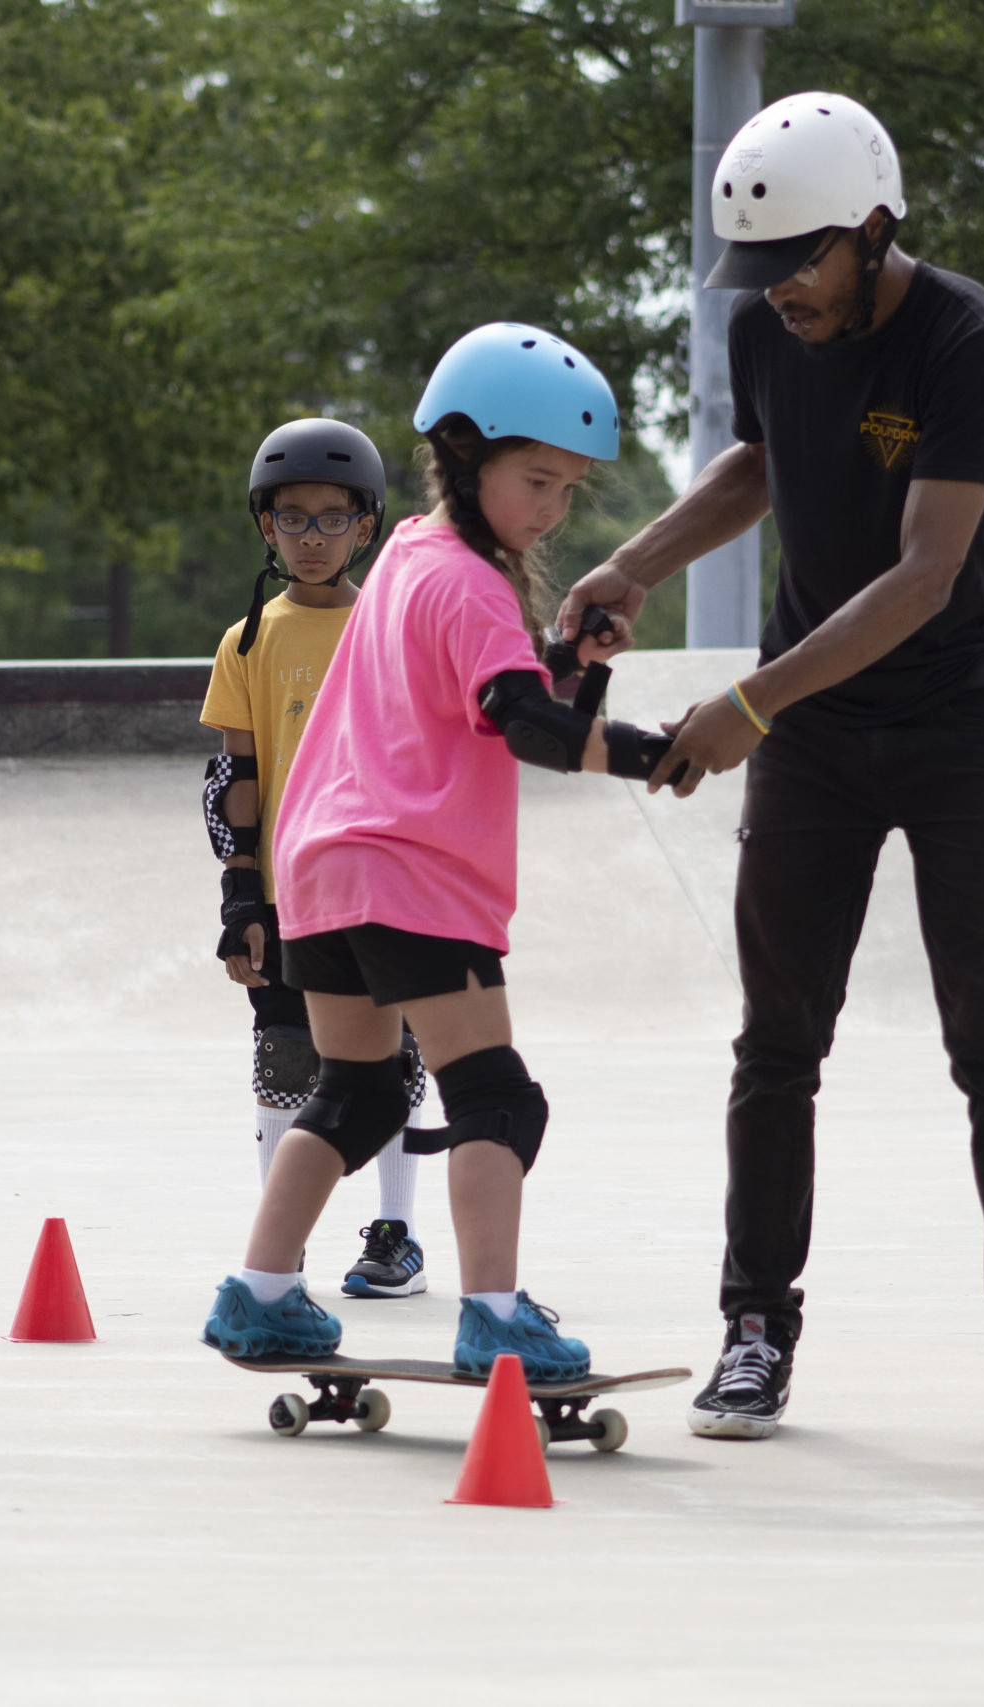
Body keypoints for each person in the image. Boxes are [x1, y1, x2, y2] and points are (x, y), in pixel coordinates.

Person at [560, 93, 984, 1453]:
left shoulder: (967, 339)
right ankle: (755, 1331)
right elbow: (762, 461)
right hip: (814, 738)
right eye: (757, 272)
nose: (778, 294)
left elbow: (926, 575)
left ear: (872, 229)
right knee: (777, 1042)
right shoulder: (769, 323)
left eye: (799, 263)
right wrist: (634, 561)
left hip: (957, 720)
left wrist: (752, 701)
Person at [199, 324, 674, 1379]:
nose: (551, 509)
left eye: (569, 490)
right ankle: (496, 1316)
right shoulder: (470, 581)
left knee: (357, 1093)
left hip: (321, 870)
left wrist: (576, 663)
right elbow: (523, 724)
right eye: (535, 480)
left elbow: (497, 690)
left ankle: (260, 1293)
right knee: (496, 1097)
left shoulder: (410, 555)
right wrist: (655, 752)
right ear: (462, 453)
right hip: (412, 874)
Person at [200, 417, 434, 1297]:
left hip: (383, 885)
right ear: (267, 526)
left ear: (364, 526)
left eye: (332, 518)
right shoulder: (248, 640)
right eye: (292, 518)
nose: (311, 537)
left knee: (393, 1055)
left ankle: (397, 1233)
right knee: (285, 1059)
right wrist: (240, 899)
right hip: (287, 889)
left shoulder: (393, 627)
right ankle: (281, 1248)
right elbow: (237, 777)